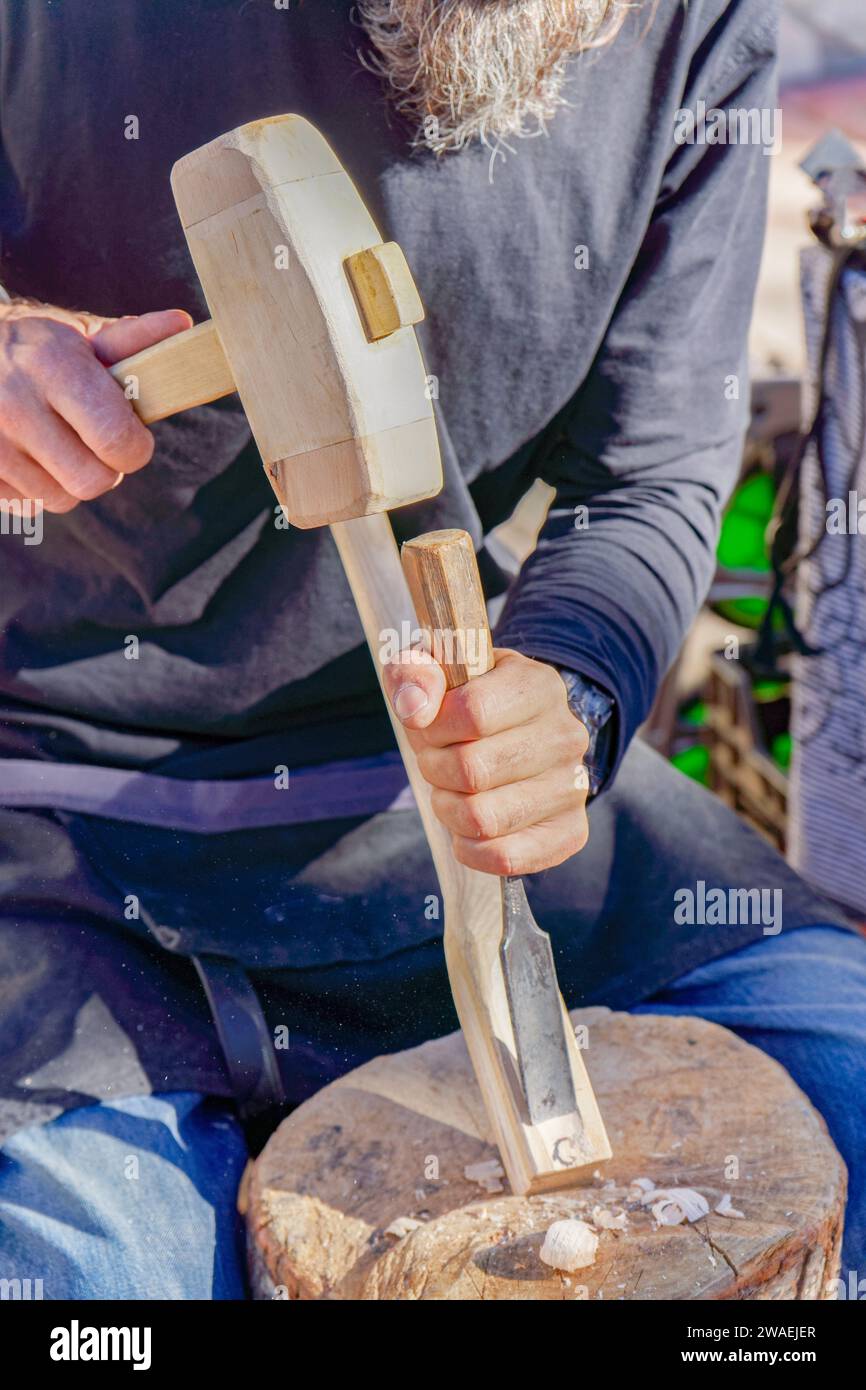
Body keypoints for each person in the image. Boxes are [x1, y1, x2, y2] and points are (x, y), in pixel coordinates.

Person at [0, 0, 862, 1300]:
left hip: (458, 789)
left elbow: (643, 482)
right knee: (94, 1290)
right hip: (64, 819)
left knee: (843, 1083)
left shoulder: (697, 30)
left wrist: (568, 693)